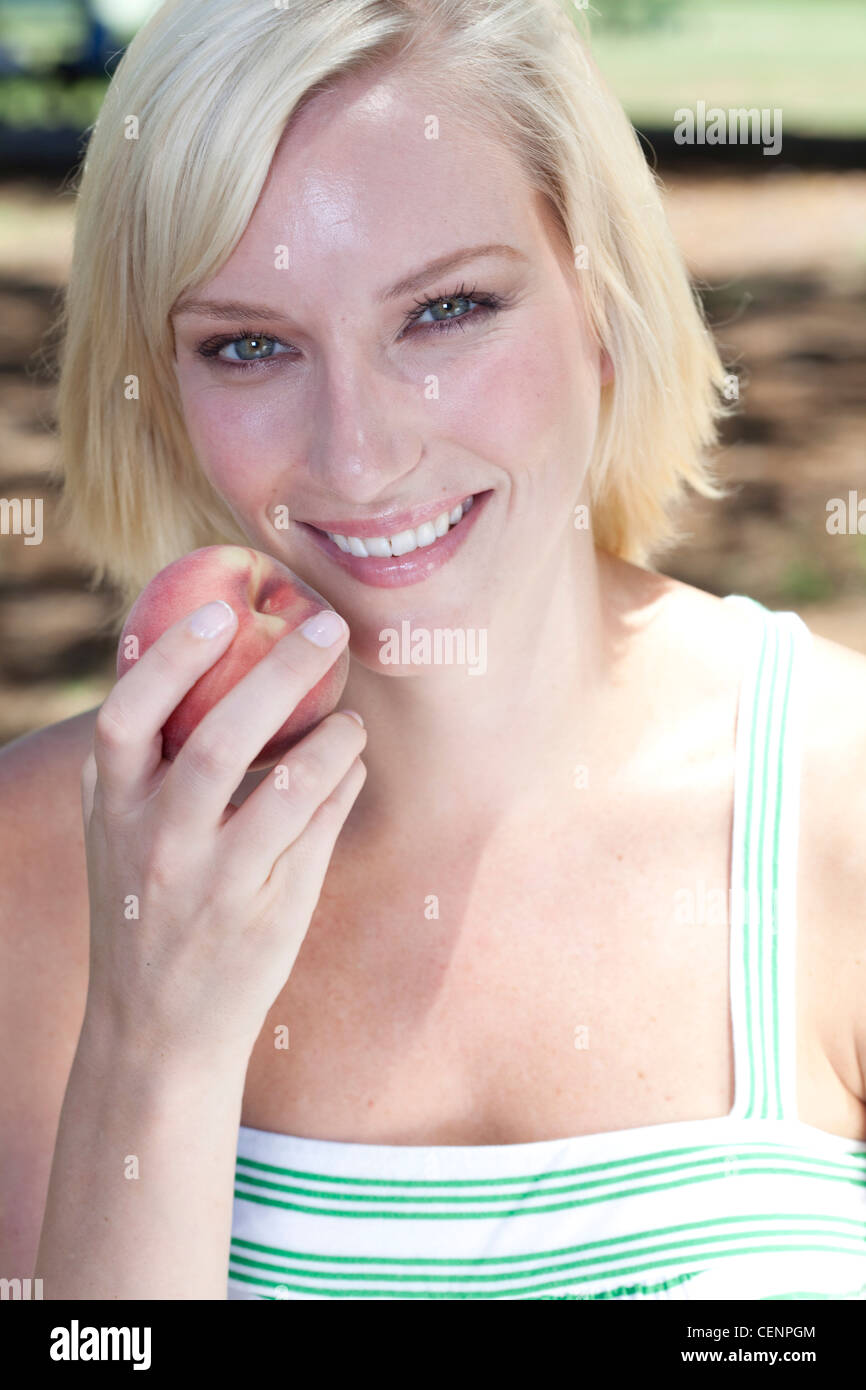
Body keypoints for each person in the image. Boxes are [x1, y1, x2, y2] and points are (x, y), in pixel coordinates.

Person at [1, 0, 864, 1301]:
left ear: (603, 300)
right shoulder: (41, 863)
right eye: (247, 343)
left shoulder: (839, 801)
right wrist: (155, 1048)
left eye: (446, 310)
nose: (357, 453)